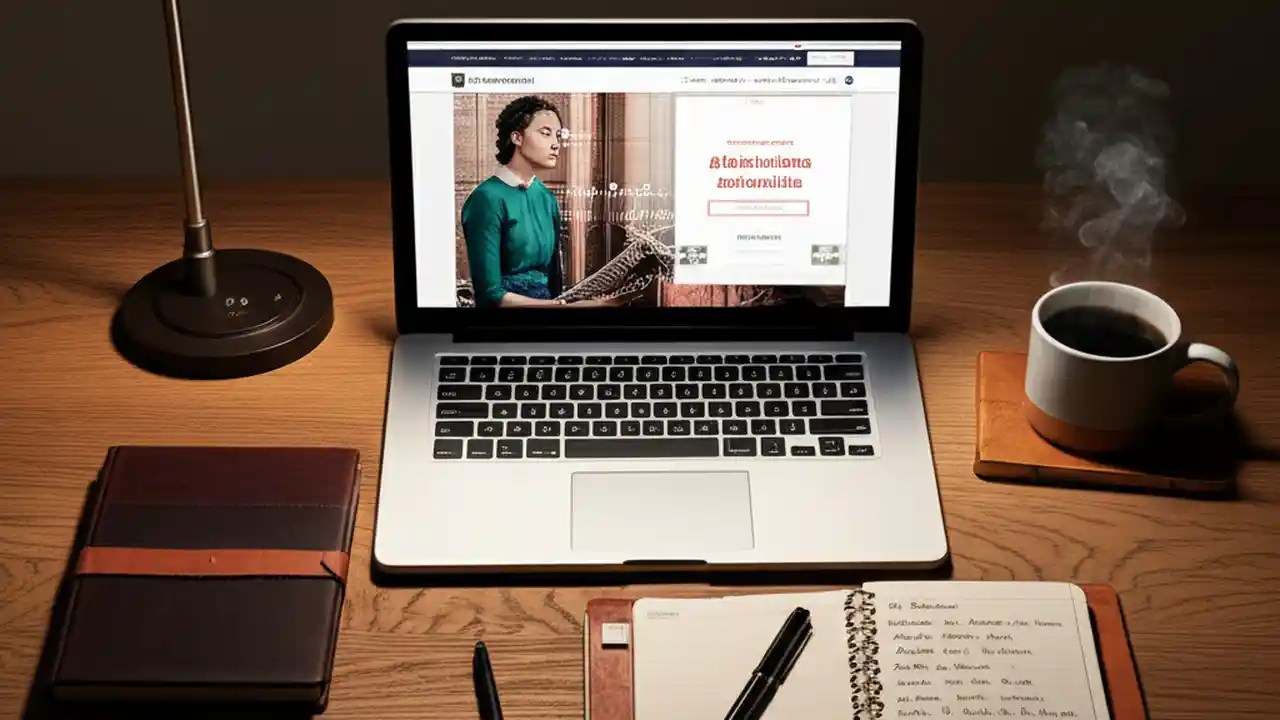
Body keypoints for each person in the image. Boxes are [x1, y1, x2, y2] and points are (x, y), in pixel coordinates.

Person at [461, 95, 622, 308]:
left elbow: (555, 279)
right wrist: (560, 310)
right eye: (545, 134)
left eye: (557, 136)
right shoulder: (486, 198)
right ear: (517, 138)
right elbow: (490, 294)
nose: (556, 144)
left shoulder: (546, 198)